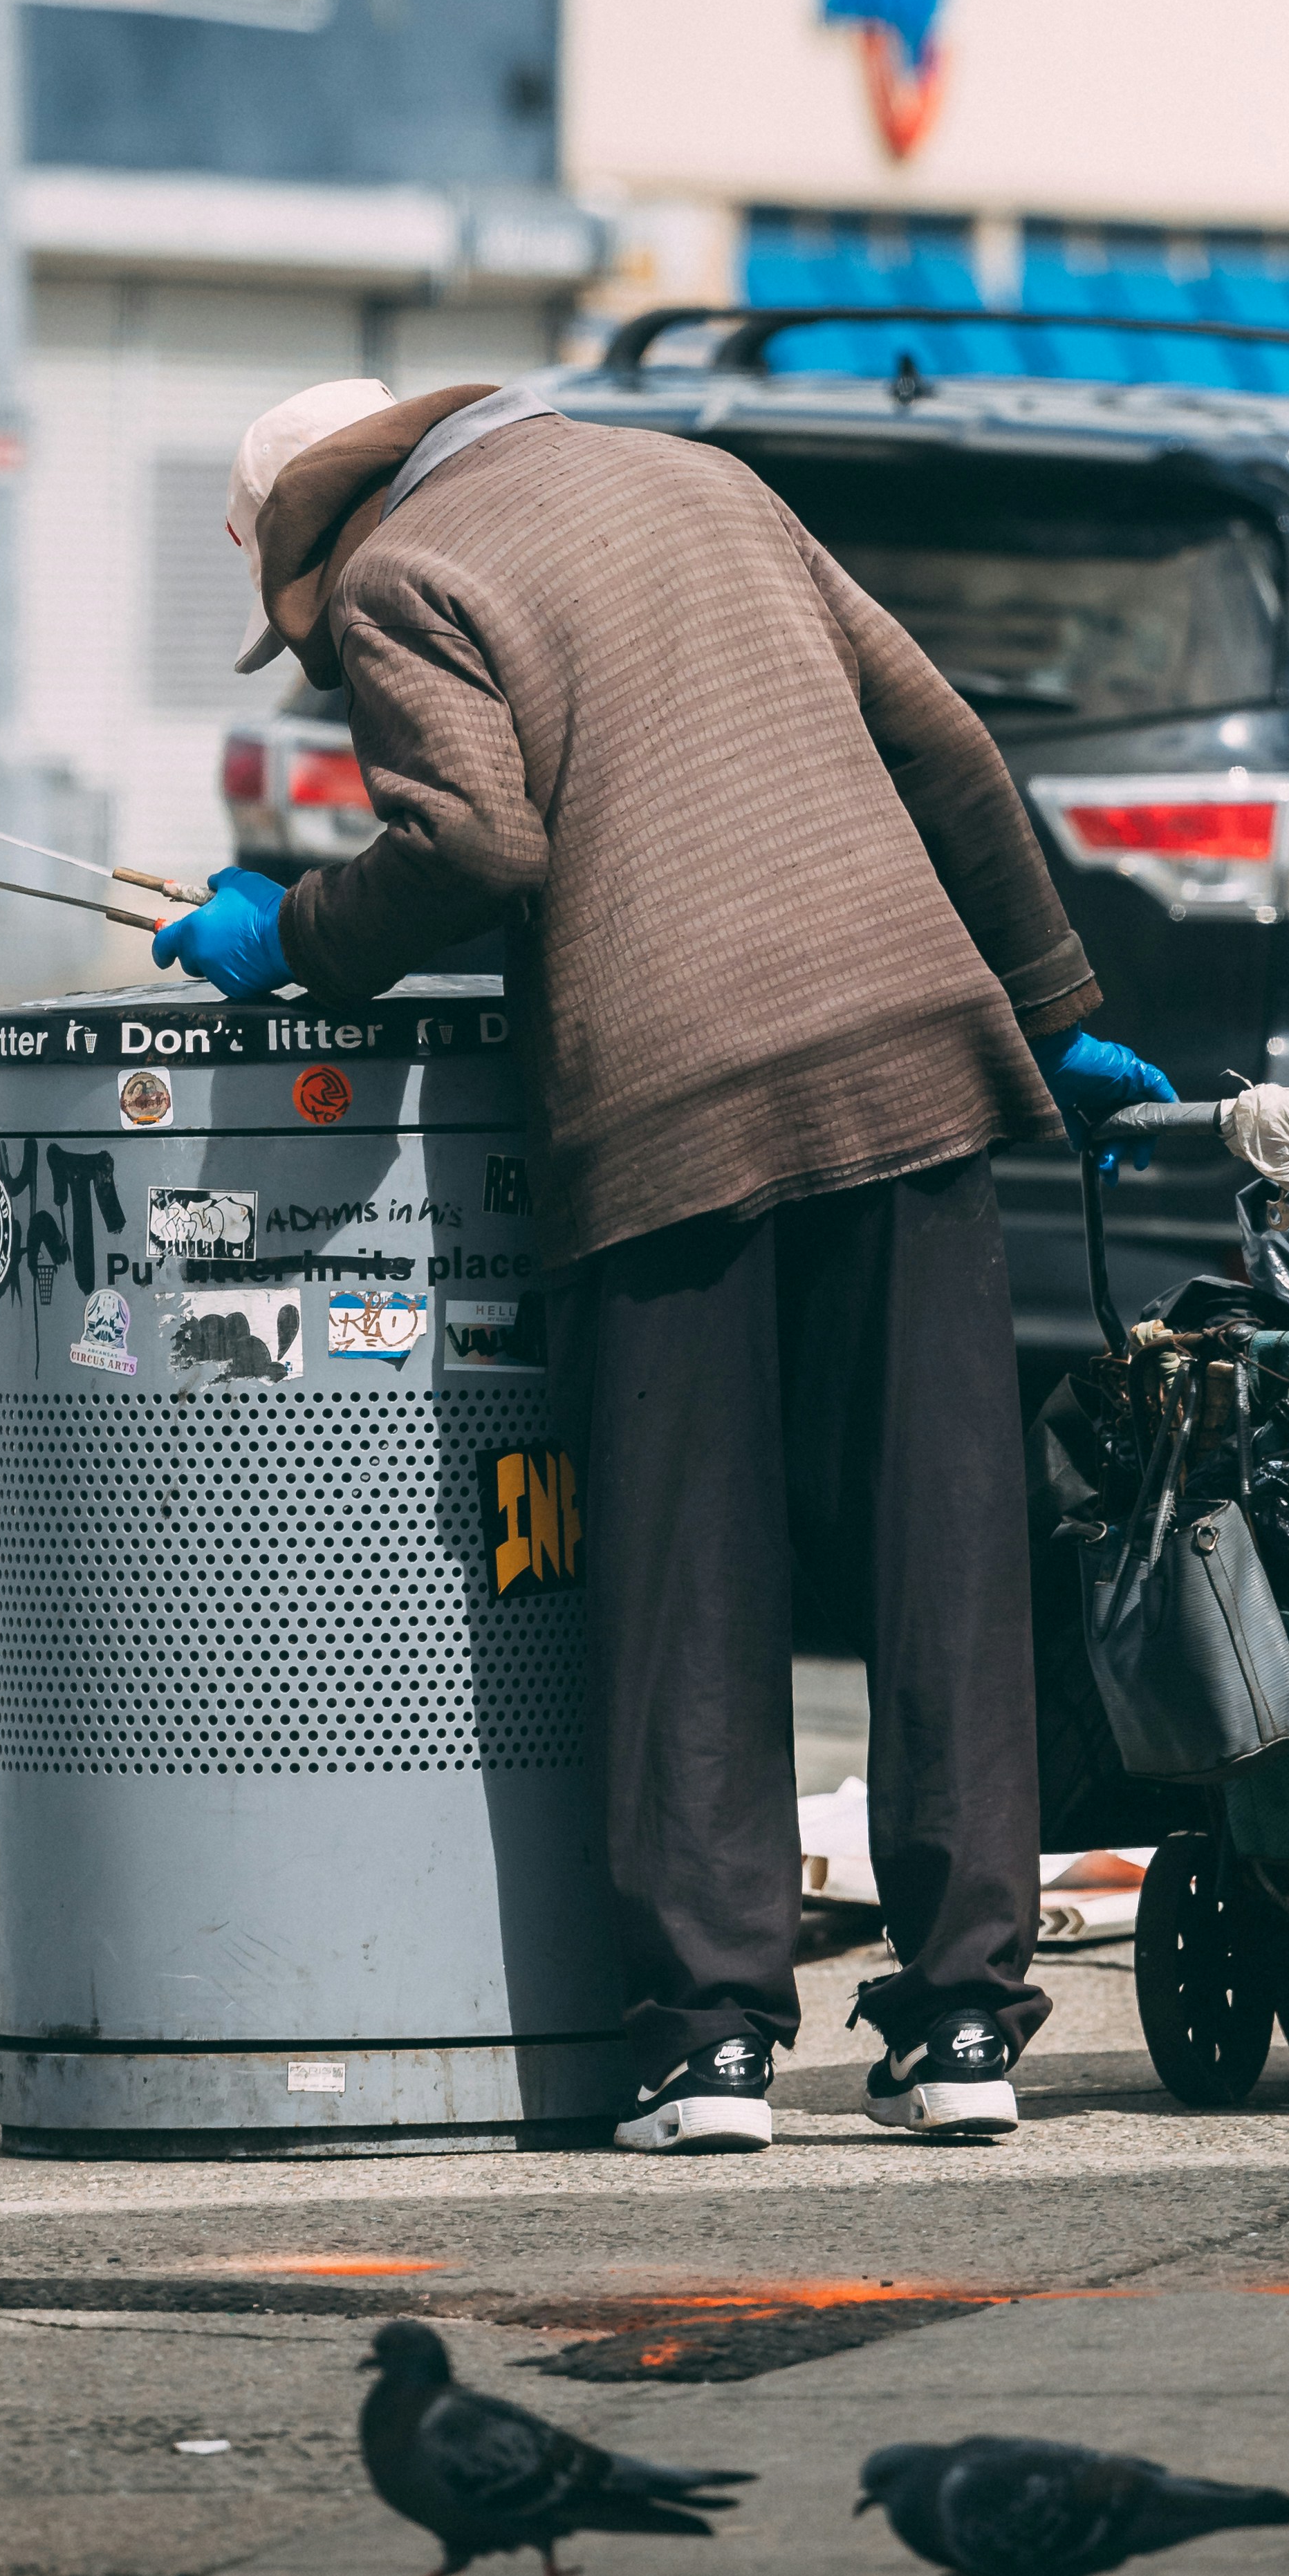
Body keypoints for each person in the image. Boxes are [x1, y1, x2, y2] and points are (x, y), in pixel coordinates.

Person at [154, 373, 1177, 2160]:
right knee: (945, 1550)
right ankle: (960, 2026)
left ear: (314, 542)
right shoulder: (706, 482)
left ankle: (708, 2041)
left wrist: (297, 934)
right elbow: (947, 745)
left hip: (670, 1103)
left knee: (689, 1575)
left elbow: (476, 839)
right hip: (916, 1063)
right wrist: (1056, 1016)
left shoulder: (405, 575)